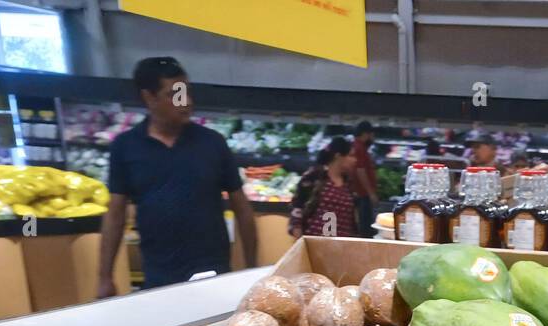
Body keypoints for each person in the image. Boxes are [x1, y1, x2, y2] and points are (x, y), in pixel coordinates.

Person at [98, 56, 256, 295]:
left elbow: (242, 207)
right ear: (149, 97)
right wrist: (105, 276)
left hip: (212, 273)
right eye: (175, 94)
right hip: (159, 277)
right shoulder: (126, 147)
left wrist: (252, 268)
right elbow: (115, 215)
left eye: (187, 92)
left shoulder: (212, 142)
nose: (187, 102)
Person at [288, 138, 357, 238]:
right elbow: (298, 206)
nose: (355, 160)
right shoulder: (314, 176)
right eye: (351, 156)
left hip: (341, 246)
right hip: (314, 243)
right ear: (338, 156)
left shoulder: (348, 183)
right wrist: (300, 240)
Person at [351, 120, 379, 235]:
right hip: (363, 194)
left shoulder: (358, 146)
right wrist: (371, 192)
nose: (373, 137)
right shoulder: (359, 148)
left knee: (365, 223)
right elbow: (360, 171)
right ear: (366, 134)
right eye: (372, 134)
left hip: (362, 193)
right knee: (365, 225)